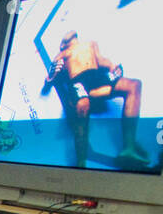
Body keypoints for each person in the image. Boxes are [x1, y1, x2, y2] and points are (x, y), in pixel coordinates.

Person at [44, 30, 148, 168]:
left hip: (97, 79)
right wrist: (51, 77)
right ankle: (81, 161)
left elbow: (101, 60)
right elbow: (51, 78)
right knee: (83, 105)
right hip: (78, 82)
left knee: (134, 85)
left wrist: (112, 66)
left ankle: (129, 148)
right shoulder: (62, 54)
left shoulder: (91, 44)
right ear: (62, 44)